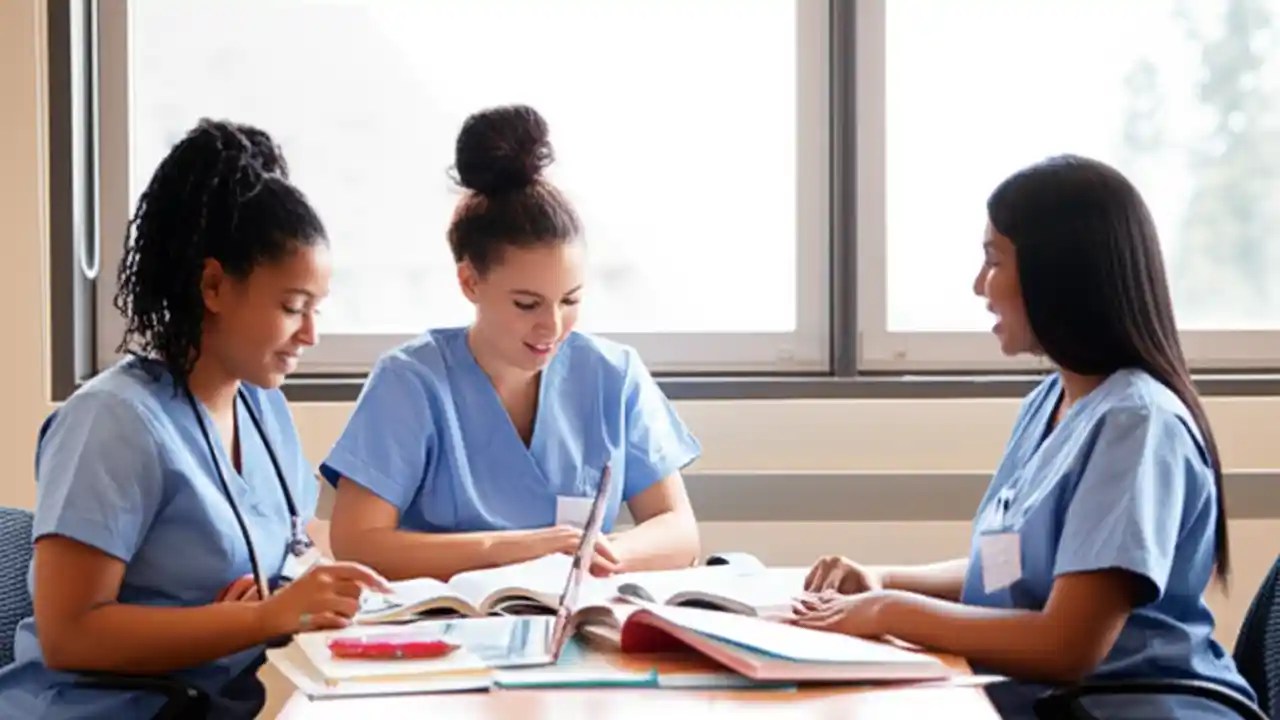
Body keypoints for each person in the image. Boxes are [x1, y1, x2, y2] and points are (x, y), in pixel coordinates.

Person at [793, 155, 1258, 719]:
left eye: (994, 261)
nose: (978, 285)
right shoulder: (1056, 401)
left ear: (1059, 272)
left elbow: (1067, 645)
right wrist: (884, 579)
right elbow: (1011, 571)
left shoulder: (1137, 424)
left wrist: (891, 610)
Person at [0, 119, 389, 719]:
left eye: (316, 310)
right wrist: (254, 619)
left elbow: (288, 540)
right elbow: (70, 634)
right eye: (292, 308)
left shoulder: (261, 407)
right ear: (213, 285)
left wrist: (310, 588)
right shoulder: (113, 423)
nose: (310, 335)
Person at [323, 104, 702, 581]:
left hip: (575, 615)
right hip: (446, 628)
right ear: (469, 282)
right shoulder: (412, 381)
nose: (552, 326)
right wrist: (514, 550)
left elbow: (679, 530)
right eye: (527, 304)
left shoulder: (612, 374)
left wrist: (601, 557)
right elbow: (359, 543)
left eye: (570, 300)